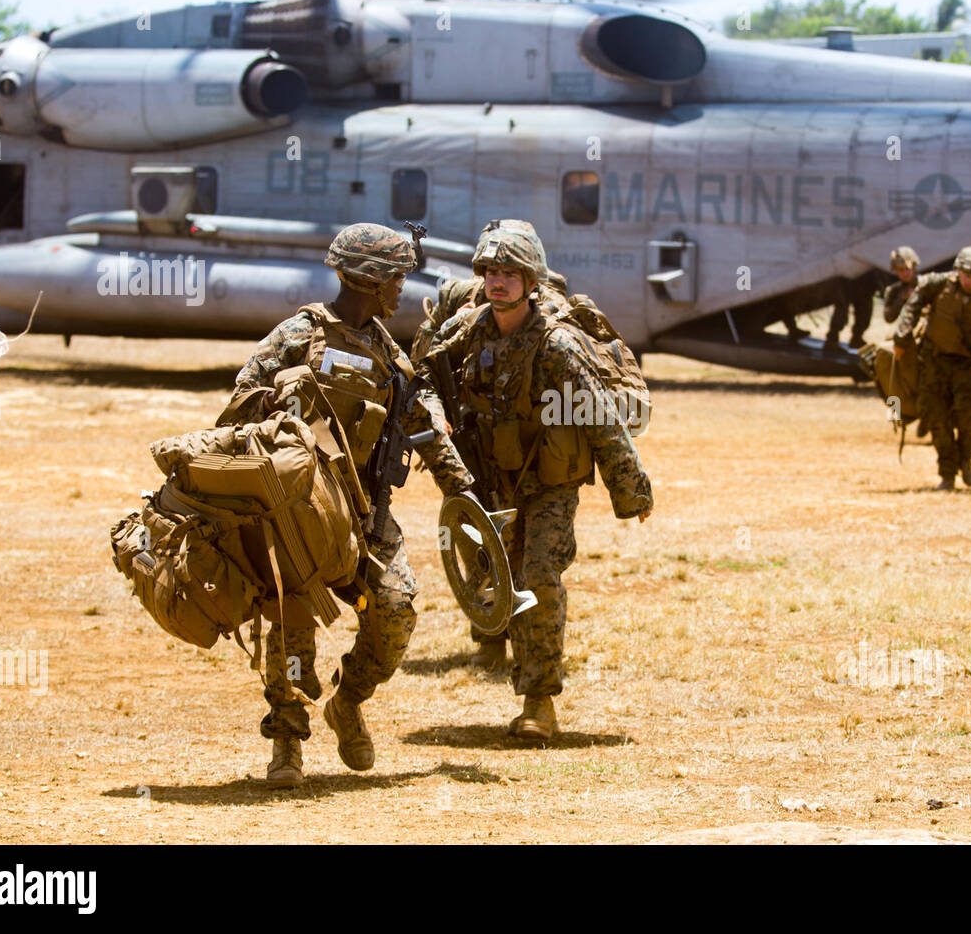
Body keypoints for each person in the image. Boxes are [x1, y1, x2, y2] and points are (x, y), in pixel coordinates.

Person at [222, 223, 473, 787]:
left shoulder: (390, 354)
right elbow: (236, 408)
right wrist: (284, 398)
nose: (403, 289)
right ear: (371, 278)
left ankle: (349, 700)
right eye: (398, 277)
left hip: (364, 514)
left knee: (396, 613)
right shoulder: (298, 334)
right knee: (290, 625)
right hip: (297, 511)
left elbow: (420, 425)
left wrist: (460, 489)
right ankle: (286, 741)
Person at [418, 223, 653, 739]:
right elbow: (422, 379)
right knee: (498, 576)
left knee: (538, 578)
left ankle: (538, 702)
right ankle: (508, 656)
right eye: (491, 273)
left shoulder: (556, 344)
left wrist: (630, 488)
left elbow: (601, 418)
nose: (497, 283)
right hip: (492, 478)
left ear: (530, 280)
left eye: (509, 274)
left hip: (549, 482)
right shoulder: (469, 330)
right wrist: (436, 418)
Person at [893, 246, 971, 490]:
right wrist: (902, 335)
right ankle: (947, 474)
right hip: (934, 360)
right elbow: (913, 304)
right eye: (963, 273)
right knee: (937, 419)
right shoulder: (937, 284)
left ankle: (966, 459)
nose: (967, 278)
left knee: (966, 420)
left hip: (966, 366)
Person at [411, 219, 568, 364]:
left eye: (509, 273)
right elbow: (420, 359)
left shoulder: (549, 305)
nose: (499, 283)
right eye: (492, 270)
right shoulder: (460, 295)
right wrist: (453, 329)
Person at [879, 246, 921, 324]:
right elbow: (888, 318)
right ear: (895, 271)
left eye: (907, 269)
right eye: (901, 270)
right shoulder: (894, 290)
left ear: (914, 267)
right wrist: (901, 299)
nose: (905, 273)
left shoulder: (926, 284)